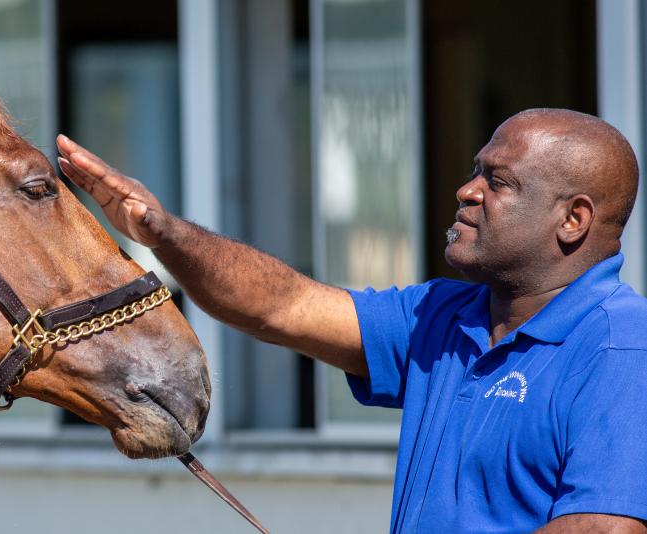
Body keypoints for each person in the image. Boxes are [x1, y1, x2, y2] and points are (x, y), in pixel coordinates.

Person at [55, 108, 647, 533]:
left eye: (499, 181)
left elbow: (602, 528)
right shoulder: (443, 316)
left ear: (573, 220)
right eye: (476, 171)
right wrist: (162, 233)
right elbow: (280, 306)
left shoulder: (620, 346)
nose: (467, 191)